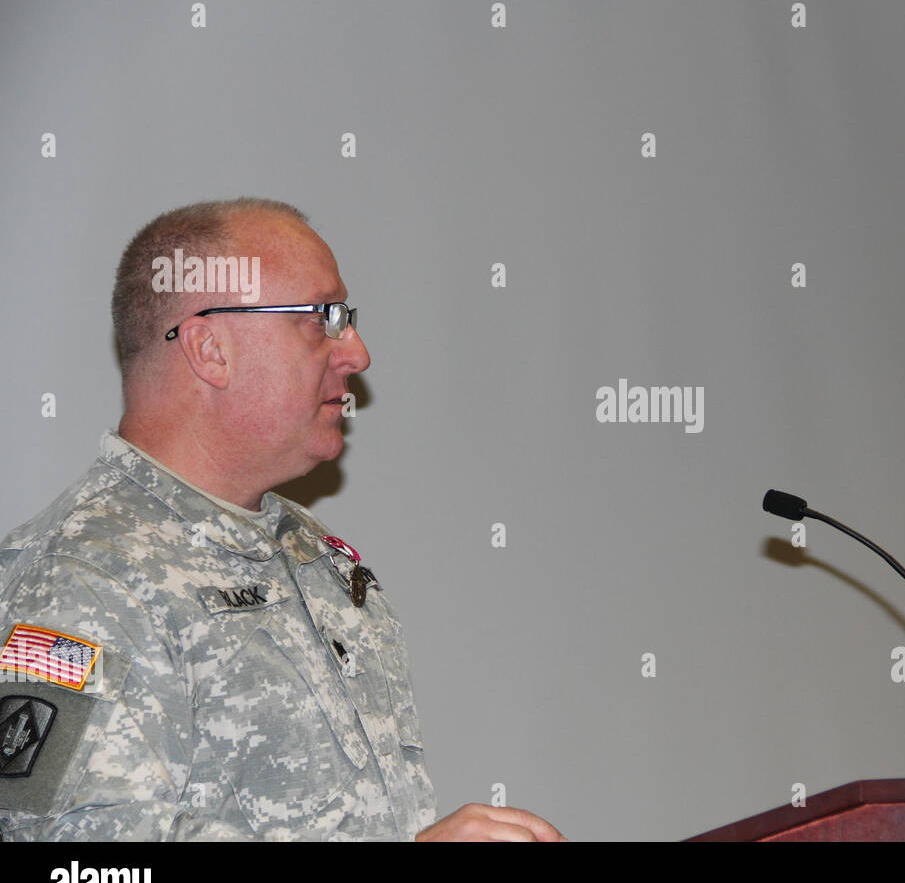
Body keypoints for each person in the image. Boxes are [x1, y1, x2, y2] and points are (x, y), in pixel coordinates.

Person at [0, 199, 564, 841]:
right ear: (211, 348)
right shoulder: (84, 584)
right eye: (323, 318)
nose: (357, 351)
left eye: (348, 320)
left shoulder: (314, 557)